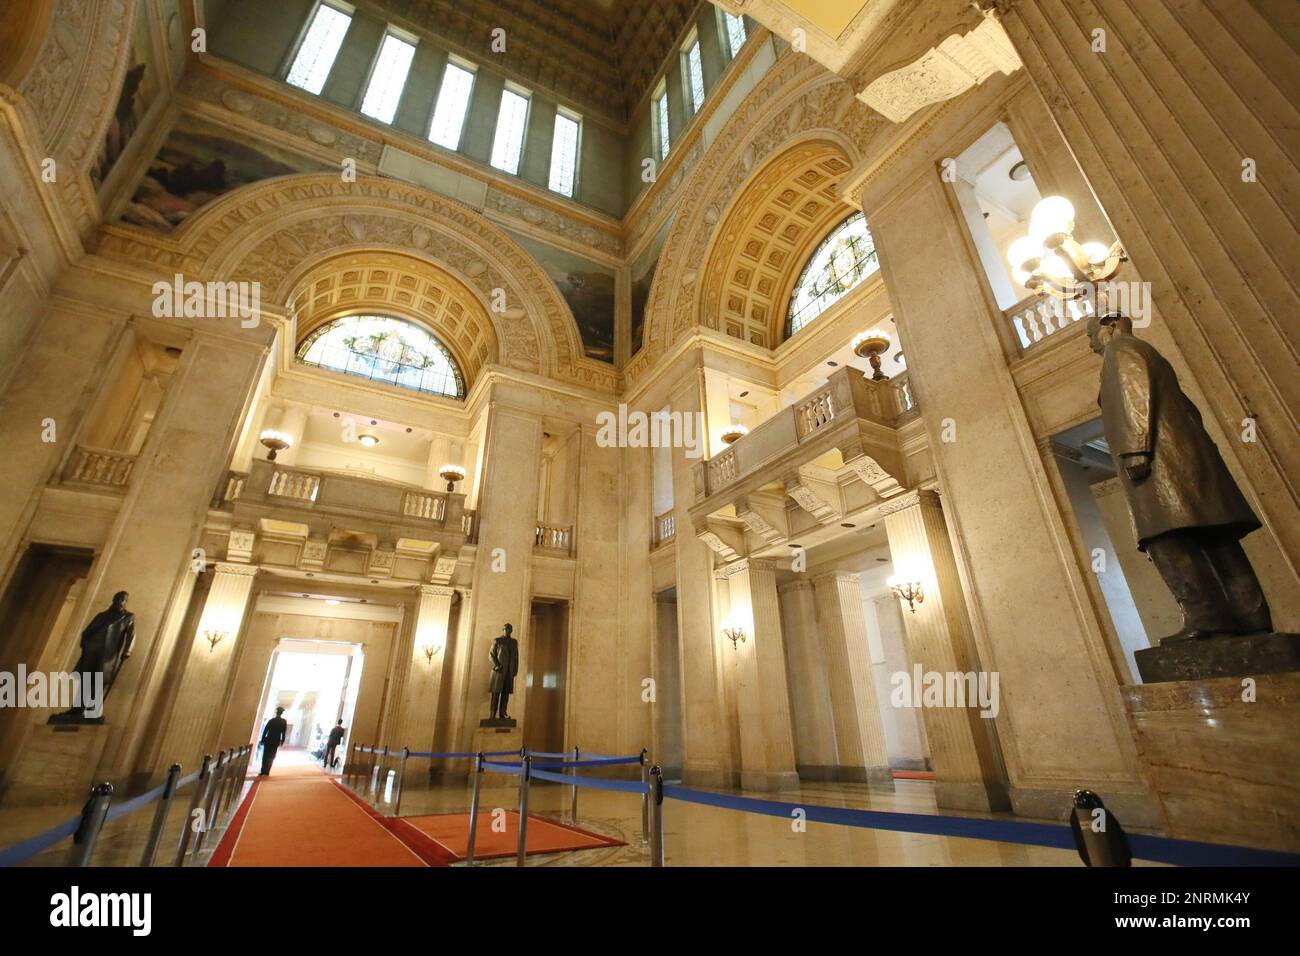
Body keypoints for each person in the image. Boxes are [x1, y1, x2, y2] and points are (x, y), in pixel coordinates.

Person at [1088, 311, 1271, 641]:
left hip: (1158, 464)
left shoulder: (1121, 350)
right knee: (1216, 538)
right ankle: (1252, 615)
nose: (1090, 345)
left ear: (1109, 327)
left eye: (1091, 335)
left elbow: (1135, 396)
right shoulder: (1149, 352)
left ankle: (1206, 617)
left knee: (1165, 539)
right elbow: (1191, 411)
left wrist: (1135, 449)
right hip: (1183, 460)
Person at [259, 706, 288, 775]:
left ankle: (263, 770)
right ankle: (267, 771)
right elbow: (283, 732)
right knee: (272, 755)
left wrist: (263, 739)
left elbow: (265, 730)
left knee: (265, 754)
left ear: (276, 713)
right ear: (281, 713)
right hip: (276, 740)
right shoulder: (283, 722)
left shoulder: (271, 721)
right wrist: (282, 741)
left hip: (268, 739)